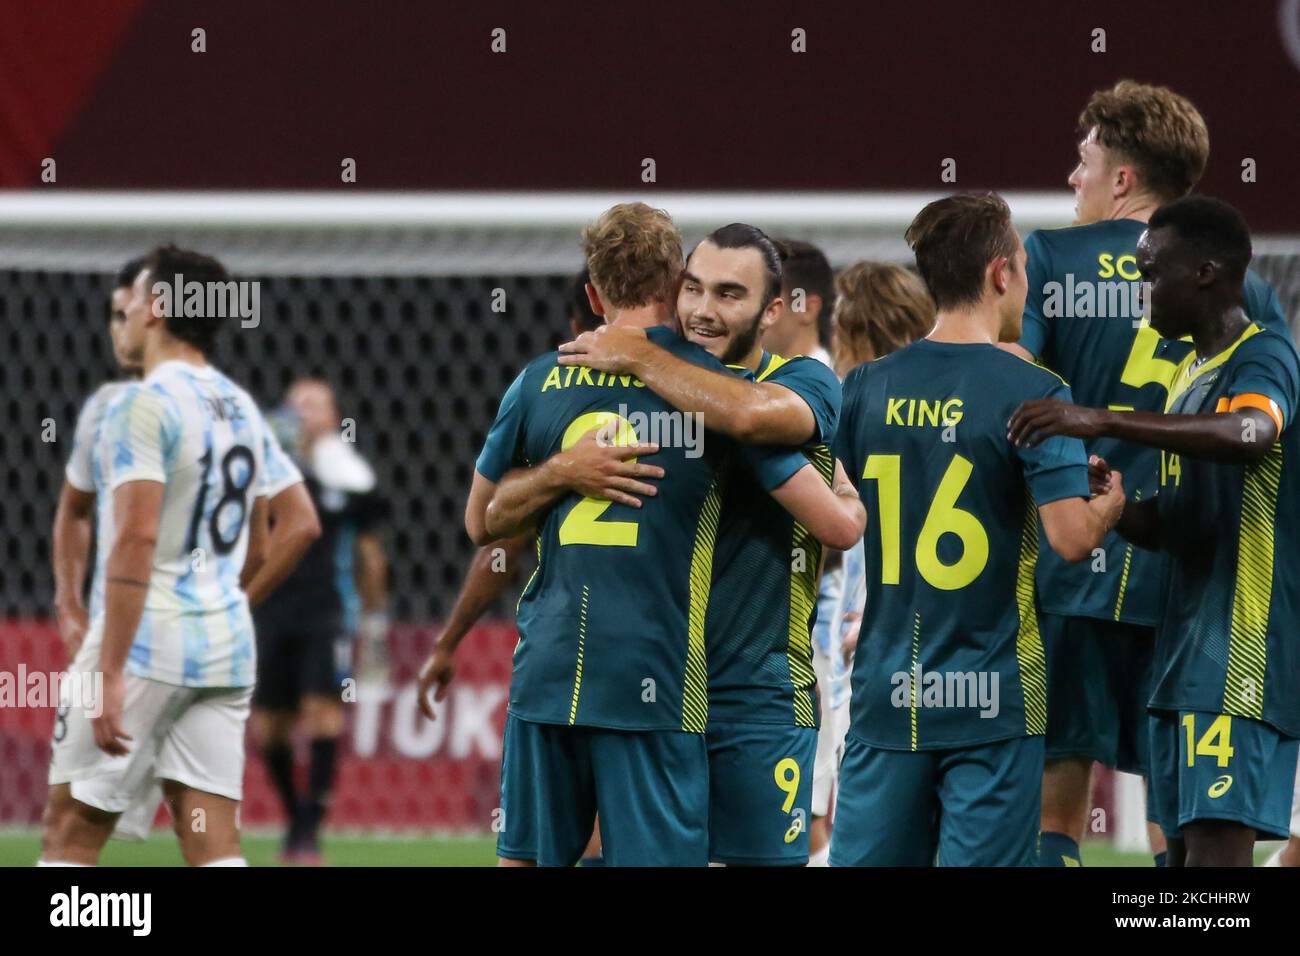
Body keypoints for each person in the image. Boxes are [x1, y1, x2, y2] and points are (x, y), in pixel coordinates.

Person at [463, 202, 863, 866]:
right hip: (662, 683)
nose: (704, 308)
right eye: (697, 288)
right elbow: (838, 522)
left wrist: (637, 358)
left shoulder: (779, 387)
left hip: (745, 691)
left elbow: (485, 522)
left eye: (728, 294)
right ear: (676, 284)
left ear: (773, 312)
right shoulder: (708, 404)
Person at [1002, 80, 1289, 867]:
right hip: (1190, 582)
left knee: (1058, 785)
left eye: (1083, 159)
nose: (1073, 178)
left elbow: (1014, 380)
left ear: (1121, 178)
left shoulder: (1049, 258)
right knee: (1177, 798)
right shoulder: (1244, 285)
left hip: (1077, 554)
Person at [829, 193, 1124, 866]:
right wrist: (1110, 502)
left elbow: (834, 520)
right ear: (999, 274)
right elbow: (1072, 539)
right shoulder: (1036, 390)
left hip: (887, 690)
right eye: (1021, 264)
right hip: (992, 698)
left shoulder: (864, 387)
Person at [40, 245, 312, 866]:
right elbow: (281, 532)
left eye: (133, 299)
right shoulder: (241, 405)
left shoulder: (141, 403)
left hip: (145, 641)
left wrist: (108, 672)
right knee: (212, 840)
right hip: (225, 646)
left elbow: (135, 539)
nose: (127, 312)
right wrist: (223, 600)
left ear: (158, 307)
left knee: (70, 832)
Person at [805, 261, 936, 864]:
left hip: (855, 642)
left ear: (856, 328)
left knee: (839, 826)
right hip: (943, 645)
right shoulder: (950, 412)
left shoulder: (844, 407)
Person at [253, 376, 389, 864]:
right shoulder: (265, 472)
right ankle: (296, 815)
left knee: (322, 713)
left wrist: (374, 625)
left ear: (334, 417)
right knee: (269, 728)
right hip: (269, 610)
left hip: (328, 612)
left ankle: (308, 830)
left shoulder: (347, 477)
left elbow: (370, 553)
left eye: (318, 404)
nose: (307, 412)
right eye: (298, 404)